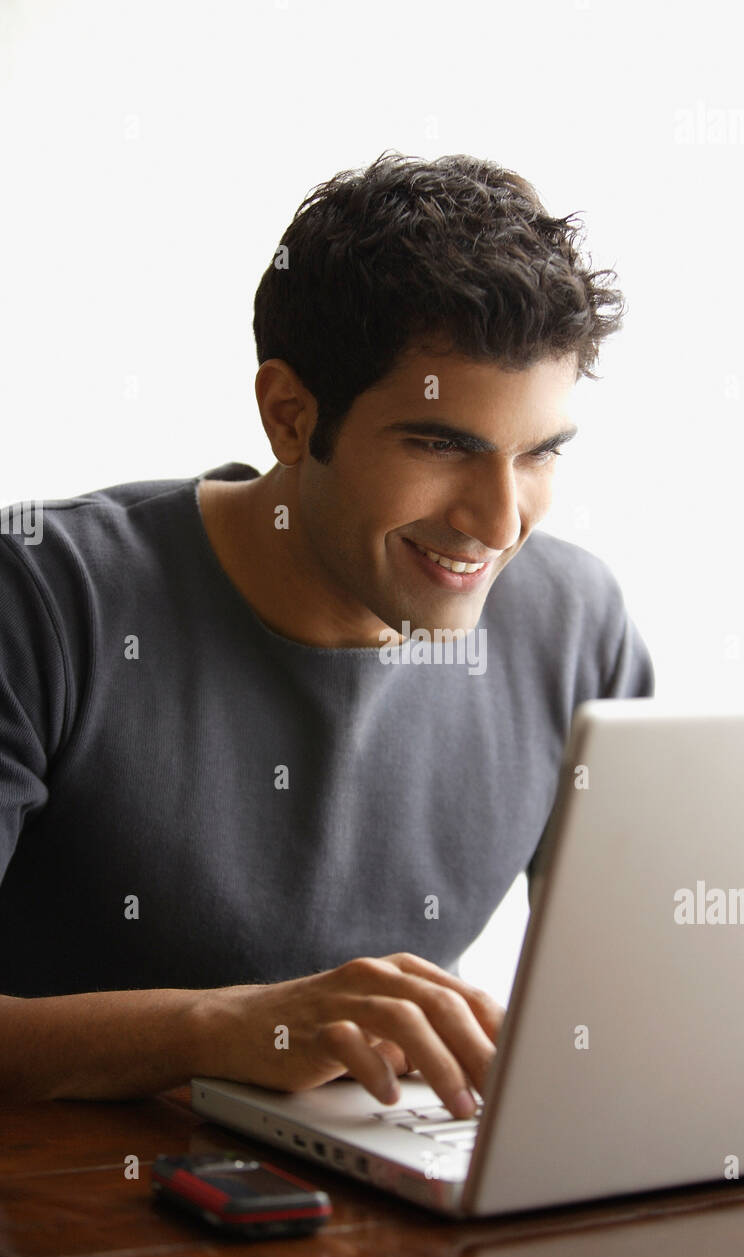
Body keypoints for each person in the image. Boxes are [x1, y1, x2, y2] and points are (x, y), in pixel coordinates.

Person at [0, 151, 653, 1120]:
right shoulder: (44, 597)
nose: (499, 520)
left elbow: (641, 998)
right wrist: (228, 1030)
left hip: (394, 1211)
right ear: (289, 416)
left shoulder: (576, 622)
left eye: (538, 453)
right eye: (441, 445)